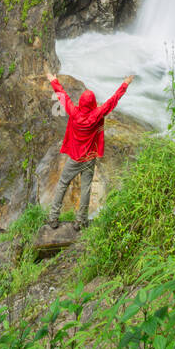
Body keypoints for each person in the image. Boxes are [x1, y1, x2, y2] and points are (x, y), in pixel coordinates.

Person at [45, 71, 134, 230]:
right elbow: (113, 100)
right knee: (86, 188)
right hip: (89, 158)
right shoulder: (97, 114)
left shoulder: (74, 112)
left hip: (74, 158)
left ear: (81, 102)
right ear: (92, 103)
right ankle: (80, 222)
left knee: (62, 184)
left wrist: (53, 79)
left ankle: (53, 218)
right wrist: (125, 84)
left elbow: (62, 95)